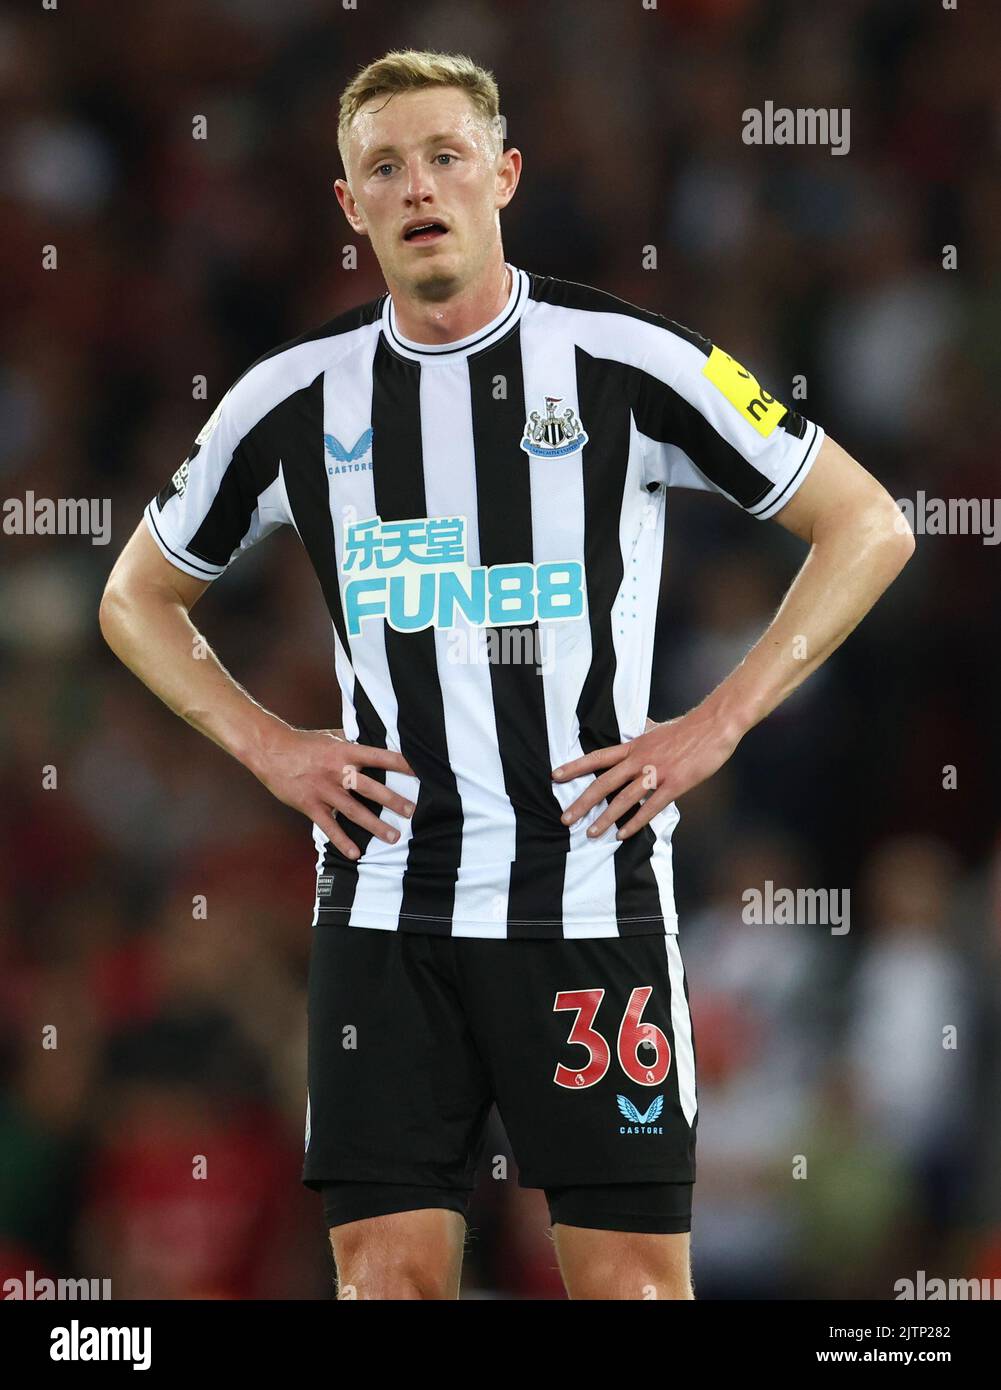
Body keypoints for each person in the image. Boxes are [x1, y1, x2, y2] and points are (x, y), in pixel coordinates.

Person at [99, 48, 914, 1300]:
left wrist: (719, 720)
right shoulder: (288, 398)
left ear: (502, 175)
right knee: (385, 1282)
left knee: (631, 1286)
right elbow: (134, 598)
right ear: (349, 205)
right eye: (383, 166)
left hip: (583, 892)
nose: (416, 184)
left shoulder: (627, 360)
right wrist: (274, 746)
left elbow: (867, 523)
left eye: (442, 156)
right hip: (383, 908)